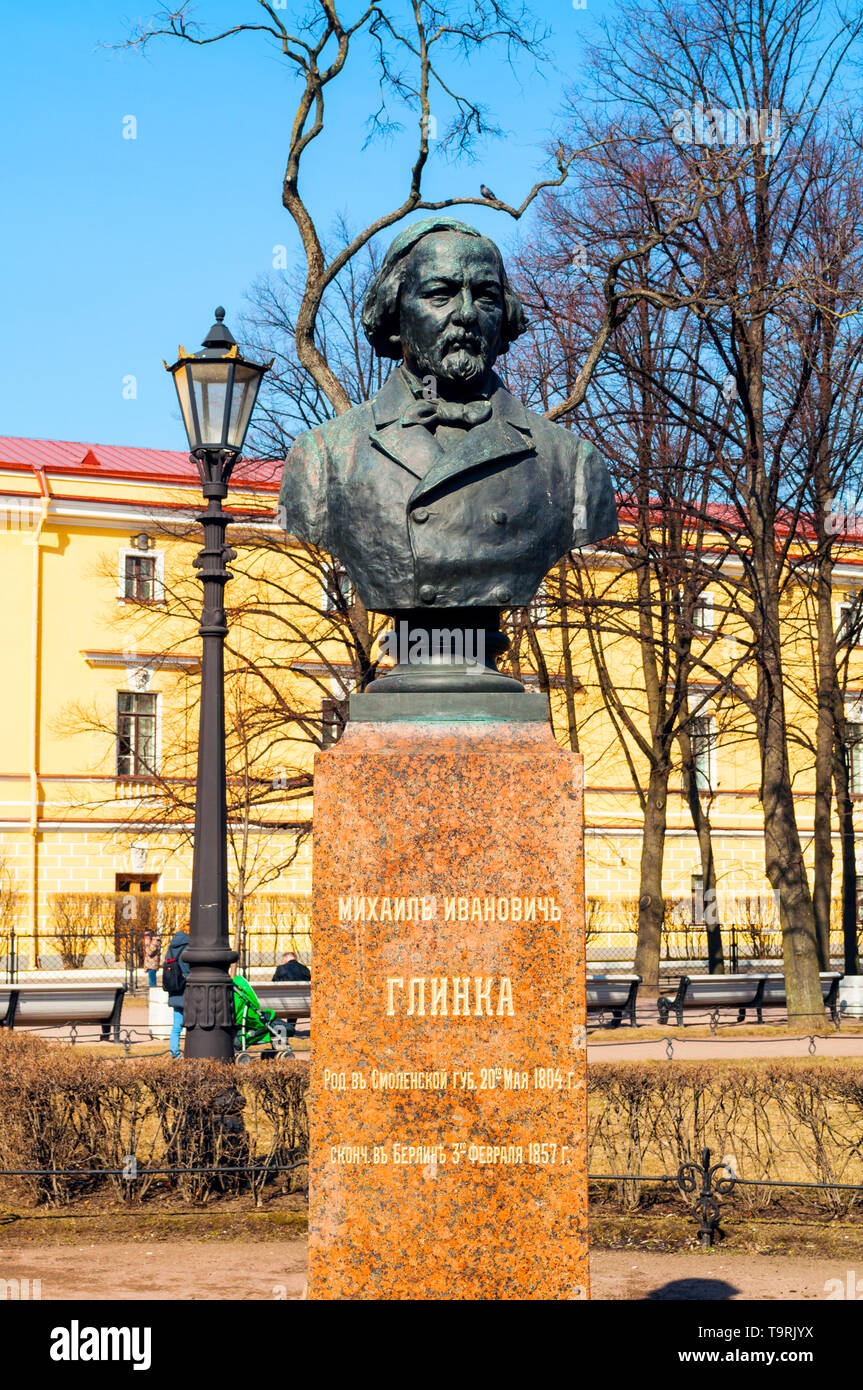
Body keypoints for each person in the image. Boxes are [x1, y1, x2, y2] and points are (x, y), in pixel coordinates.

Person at [165, 927, 191, 1059]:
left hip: (174, 989)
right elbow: (189, 968)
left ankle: (174, 1053)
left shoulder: (169, 950)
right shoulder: (187, 949)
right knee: (192, 1024)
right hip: (187, 990)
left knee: (176, 1026)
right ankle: (191, 1052)